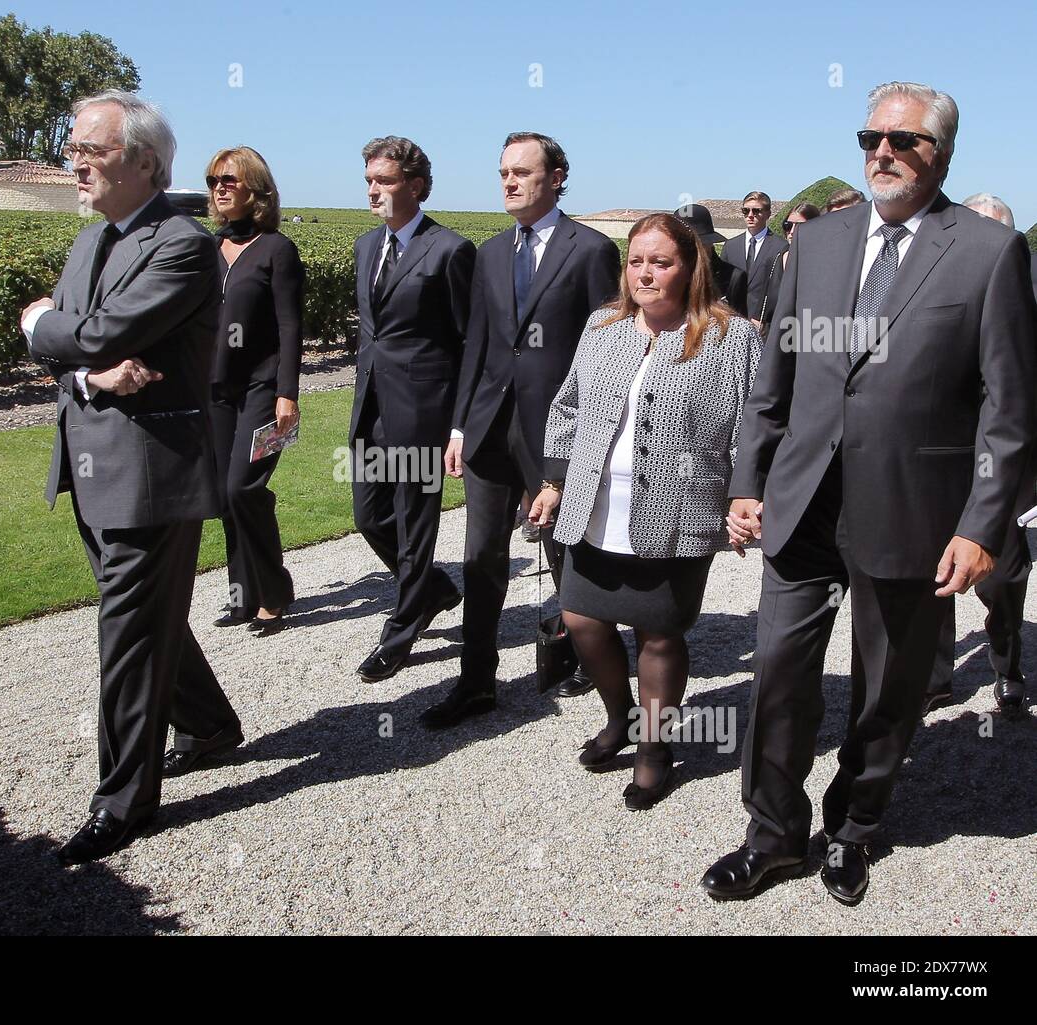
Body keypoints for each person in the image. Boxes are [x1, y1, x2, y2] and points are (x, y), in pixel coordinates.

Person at [703, 81, 1037, 905]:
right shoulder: (815, 243)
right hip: (804, 501)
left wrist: (980, 523)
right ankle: (774, 834)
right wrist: (749, 479)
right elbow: (771, 378)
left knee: (887, 686)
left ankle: (854, 826)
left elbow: (1010, 407)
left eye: (904, 140)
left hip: (915, 511)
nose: (882, 151)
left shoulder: (988, 253)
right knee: (778, 670)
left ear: (942, 153)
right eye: (871, 136)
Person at [21, 91, 242, 865]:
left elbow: (90, 331)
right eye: (71, 147)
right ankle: (212, 724)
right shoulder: (90, 242)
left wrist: (35, 325)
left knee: (126, 636)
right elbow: (81, 352)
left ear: (144, 161)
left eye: (92, 148)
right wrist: (87, 375)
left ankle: (123, 801)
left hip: (152, 478)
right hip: (89, 465)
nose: (74, 161)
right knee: (148, 621)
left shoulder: (181, 247)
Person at [528, 214, 758, 808]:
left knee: (658, 635)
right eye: (636, 261)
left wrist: (743, 495)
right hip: (595, 505)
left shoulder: (732, 338)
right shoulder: (603, 327)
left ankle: (655, 750)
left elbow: (751, 430)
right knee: (581, 619)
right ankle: (620, 718)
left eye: (661, 262)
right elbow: (568, 407)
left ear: (690, 268)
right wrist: (554, 481)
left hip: (679, 509)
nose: (645, 273)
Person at [428, 132, 621, 726]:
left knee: (569, 548)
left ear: (557, 176)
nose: (509, 182)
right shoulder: (489, 254)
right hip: (489, 428)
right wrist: (460, 424)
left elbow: (606, 351)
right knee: (481, 554)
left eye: (522, 171)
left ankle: (586, 653)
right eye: (503, 172)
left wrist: (581, 449)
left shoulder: (589, 250)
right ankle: (476, 681)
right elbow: (478, 346)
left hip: (558, 431)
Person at [350, 136, 475, 683]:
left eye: (385, 180)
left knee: (413, 524)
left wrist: (459, 423)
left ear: (417, 186)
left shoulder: (449, 251)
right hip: (371, 407)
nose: (374, 190)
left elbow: (471, 341)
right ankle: (433, 589)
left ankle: (401, 630)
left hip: (423, 411)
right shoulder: (363, 247)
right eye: (369, 181)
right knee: (368, 516)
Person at [926, 191, 1033, 712]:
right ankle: (935, 677)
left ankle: (1007, 665)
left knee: (1006, 581)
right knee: (932, 574)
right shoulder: (930, 291)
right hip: (938, 464)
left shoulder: (1026, 299)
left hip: (1001, 474)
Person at [204, 146, 303, 639]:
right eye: (213, 180)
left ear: (256, 190)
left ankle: (275, 591)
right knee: (225, 497)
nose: (219, 188)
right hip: (216, 391)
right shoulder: (206, 250)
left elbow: (290, 326)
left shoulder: (276, 250)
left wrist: (288, 393)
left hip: (264, 389)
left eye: (230, 180)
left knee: (243, 487)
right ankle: (243, 594)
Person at [720, 191, 789, 320]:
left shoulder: (781, 247)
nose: (750, 215)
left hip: (764, 324)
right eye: (746, 211)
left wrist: (765, 322)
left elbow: (782, 290)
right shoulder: (730, 246)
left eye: (756, 211)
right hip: (732, 321)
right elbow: (721, 286)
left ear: (768, 214)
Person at [675, 203, 748, 315]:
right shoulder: (671, 274)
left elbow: (741, 322)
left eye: (698, 243)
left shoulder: (733, 277)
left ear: (709, 243)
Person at [758, 202, 821, 332]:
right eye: (788, 225)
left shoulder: (822, 264)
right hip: (774, 334)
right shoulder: (775, 260)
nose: (792, 231)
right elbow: (763, 299)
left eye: (800, 226)